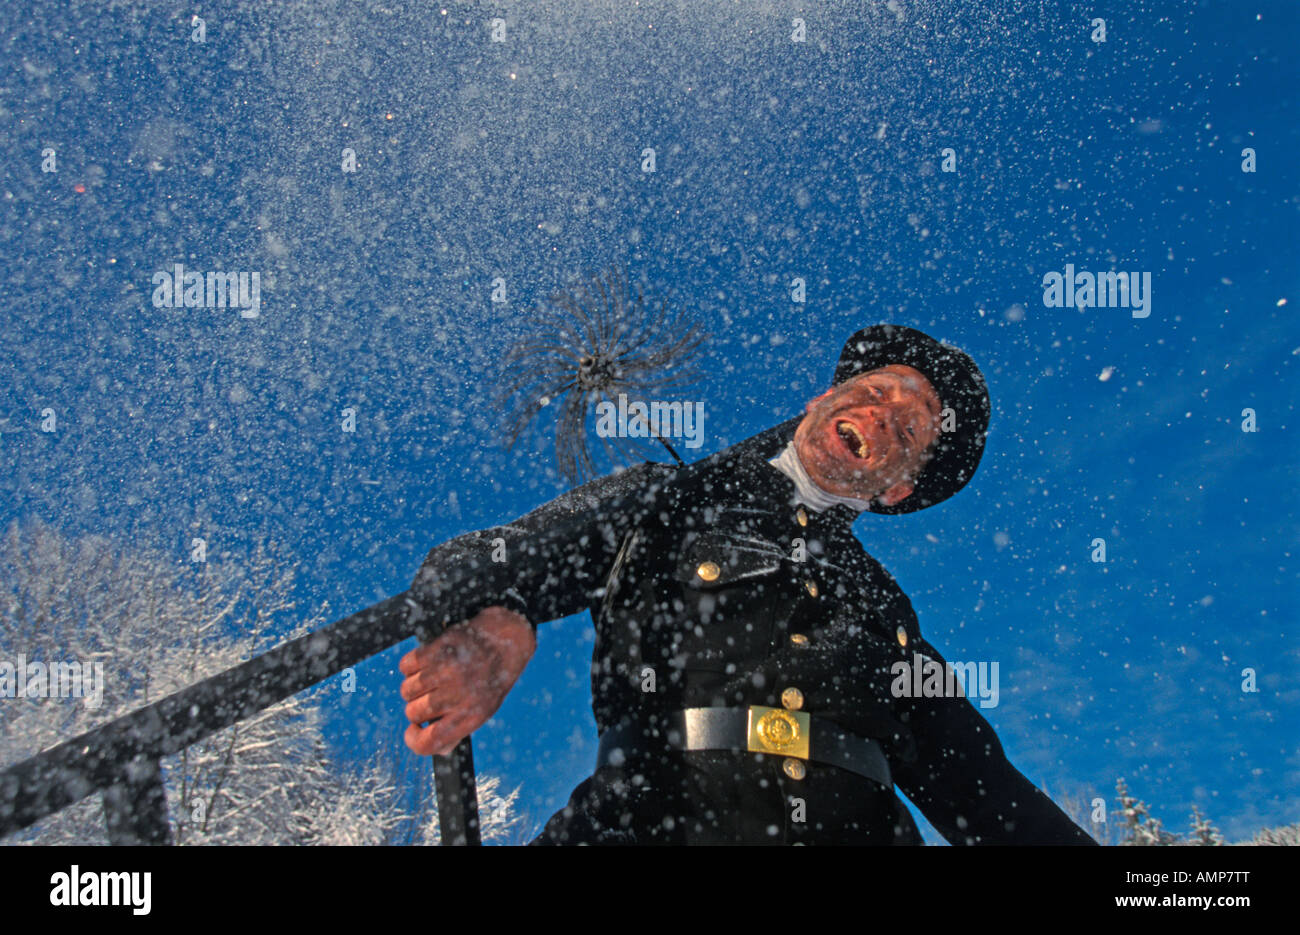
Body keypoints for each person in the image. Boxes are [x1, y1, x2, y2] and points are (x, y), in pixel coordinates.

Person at [400, 324, 1097, 844]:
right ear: (822, 398)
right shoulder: (663, 502)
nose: (883, 410)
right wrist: (503, 616)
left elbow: (989, 793)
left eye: (909, 425)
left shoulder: (888, 611)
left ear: (898, 487)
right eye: (874, 389)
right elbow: (467, 564)